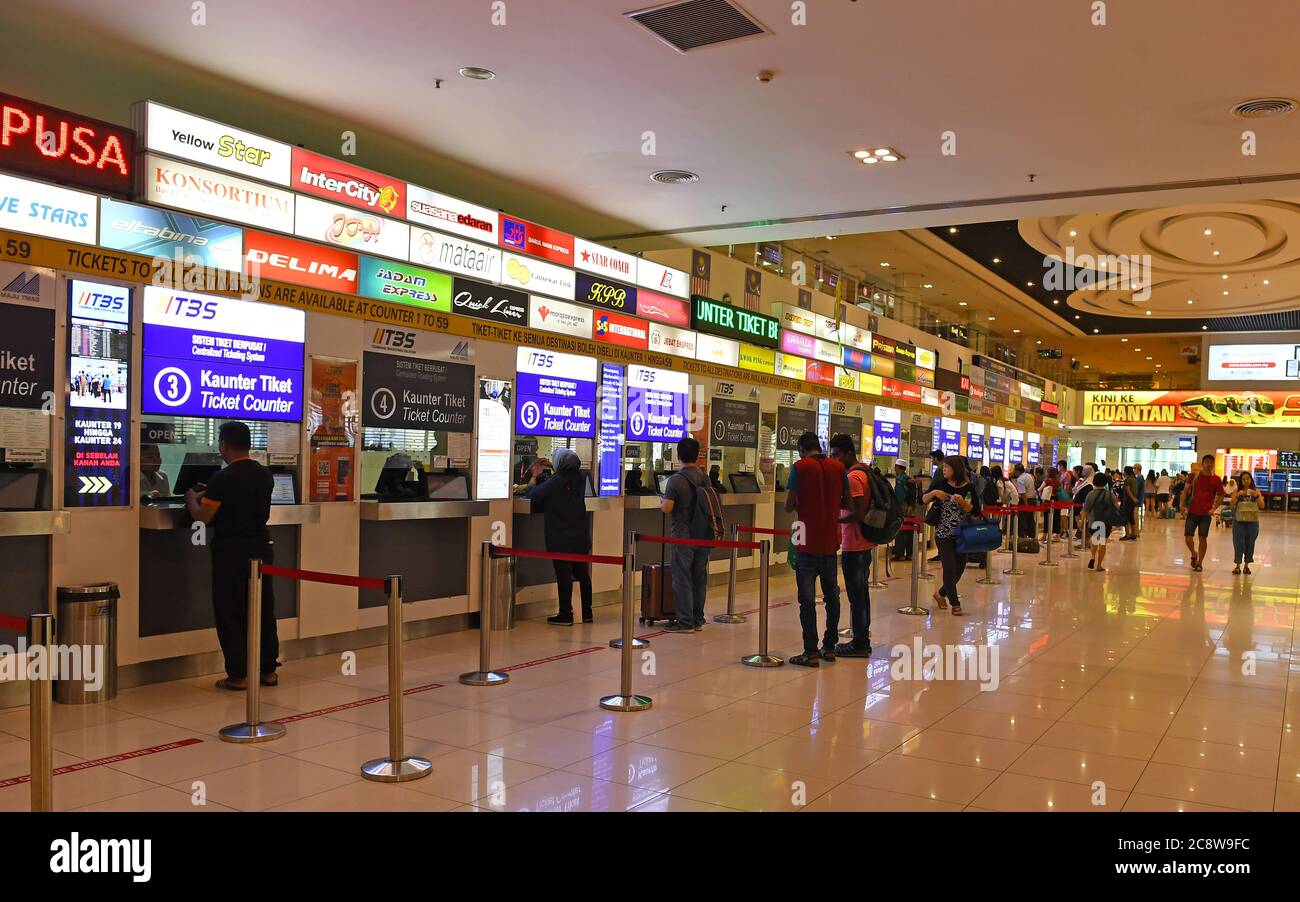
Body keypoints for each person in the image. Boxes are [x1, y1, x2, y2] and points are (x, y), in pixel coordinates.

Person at [185, 421, 279, 690]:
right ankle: (267, 670)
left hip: (231, 551)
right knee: (262, 608)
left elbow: (203, 516)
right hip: (262, 547)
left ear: (224, 445)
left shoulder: (222, 478)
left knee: (231, 610)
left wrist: (193, 498)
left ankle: (238, 674)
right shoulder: (264, 474)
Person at [784, 431, 850, 666]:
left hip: (806, 542)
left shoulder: (800, 467)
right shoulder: (838, 467)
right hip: (830, 543)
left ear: (802, 449)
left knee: (807, 600)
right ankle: (829, 647)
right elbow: (848, 503)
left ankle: (810, 651)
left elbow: (788, 506)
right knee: (832, 597)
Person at [525, 449, 594, 626]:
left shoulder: (556, 481)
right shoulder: (581, 477)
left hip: (561, 537)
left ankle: (566, 613)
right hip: (580, 536)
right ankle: (587, 612)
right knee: (582, 574)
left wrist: (534, 478)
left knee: (564, 575)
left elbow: (533, 495)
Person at [660, 436, 711, 632]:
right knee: (699, 576)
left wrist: (661, 502)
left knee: (682, 577)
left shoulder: (676, 480)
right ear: (697, 455)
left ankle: (685, 622)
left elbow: (667, 508)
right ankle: (697, 619)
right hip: (704, 534)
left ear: (679, 455)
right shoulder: (704, 477)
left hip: (683, 535)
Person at [827, 434, 871, 658]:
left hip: (855, 545)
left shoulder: (853, 477)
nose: (834, 459)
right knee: (861, 594)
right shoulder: (862, 471)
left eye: (836, 455)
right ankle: (861, 639)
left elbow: (858, 511)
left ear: (846, 453)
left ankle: (860, 642)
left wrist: (835, 520)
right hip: (862, 544)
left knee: (857, 596)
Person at [923, 455, 980, 616]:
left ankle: (940, 594)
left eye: (947, 467)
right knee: (949, 567)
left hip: (962, 534)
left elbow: (975, 510)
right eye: (944, 467)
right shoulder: (940, 484)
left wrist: (962, 502)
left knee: (960, 569)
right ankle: (955, 603)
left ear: (956, 468)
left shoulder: (968, 487)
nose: (944, 469)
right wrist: (934, 492)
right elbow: (923, 499)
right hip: (943, 533)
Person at [1181, 454, 1225, 572]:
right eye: (1207, 462)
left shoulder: (1216, 479)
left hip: (1205, 514)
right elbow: (1185, 491)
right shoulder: (1193, 476)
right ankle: (1193, 553)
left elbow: (1221, 495)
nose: (1209, 464)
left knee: (1202, 538)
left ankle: (1200, 563)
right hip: (1192, 512)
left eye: (1211, 462)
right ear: (1202, 463)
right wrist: (1182, 505)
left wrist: (1214, 508)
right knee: (1188, 537)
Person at [1082, 472, 1118, 571]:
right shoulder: (1109, 494)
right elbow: (1116, 508)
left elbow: (1085, 510)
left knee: (1094, 540)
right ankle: (1099, 565)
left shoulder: (1090, 494)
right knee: (1102, 543)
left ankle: (1093, 556)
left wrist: (1081, 523)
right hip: (1106, 522)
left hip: (1094, 521)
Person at [1229, 471, 1262, 574]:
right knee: (1238, 543)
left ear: (1251, 480)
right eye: (1243, 479)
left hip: (1252, 522)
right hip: (1239, 521)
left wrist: (1256, 496)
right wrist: (1238, 495)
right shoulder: (1237, 491)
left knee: (1250, 543)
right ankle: (1238, 565)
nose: (1246, 481)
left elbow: (1262, 505)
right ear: (1240, 481)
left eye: (1248, 478)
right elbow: (1231, 505)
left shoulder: (1256, 491)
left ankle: (1247, 565)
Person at [891, 460, 913, 560]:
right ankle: (909, 554)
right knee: (910, 531)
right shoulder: (909, 478)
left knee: (901, 530)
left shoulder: (900, 479)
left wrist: (894, 506)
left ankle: (899, 554)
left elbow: (899, 496)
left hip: (902, 507)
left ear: (897, 467)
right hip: (910, 507)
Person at [1012, 463, 1035, 543]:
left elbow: (1023, 493)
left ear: (1018, 471)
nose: (1014, 472)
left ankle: (1023, 537)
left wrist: (1026, 504)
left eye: (1015, 470)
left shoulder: (1020, 479)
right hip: (1032, 499)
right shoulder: (1029, 476)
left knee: (1022, 520)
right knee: (1030, 519)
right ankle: (1032, 535)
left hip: (1025, 500)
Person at [1120, 466, 1140, 540]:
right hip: (1132, 502)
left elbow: (1128, 491)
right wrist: (1134, 499)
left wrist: (1133, 498)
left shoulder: (1128, 480)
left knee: (1125, 518)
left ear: (1126, 472)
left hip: (1128, 501)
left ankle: (1127, 534)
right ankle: (1133, 534)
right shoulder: (1134, 479)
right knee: (1131, 518)